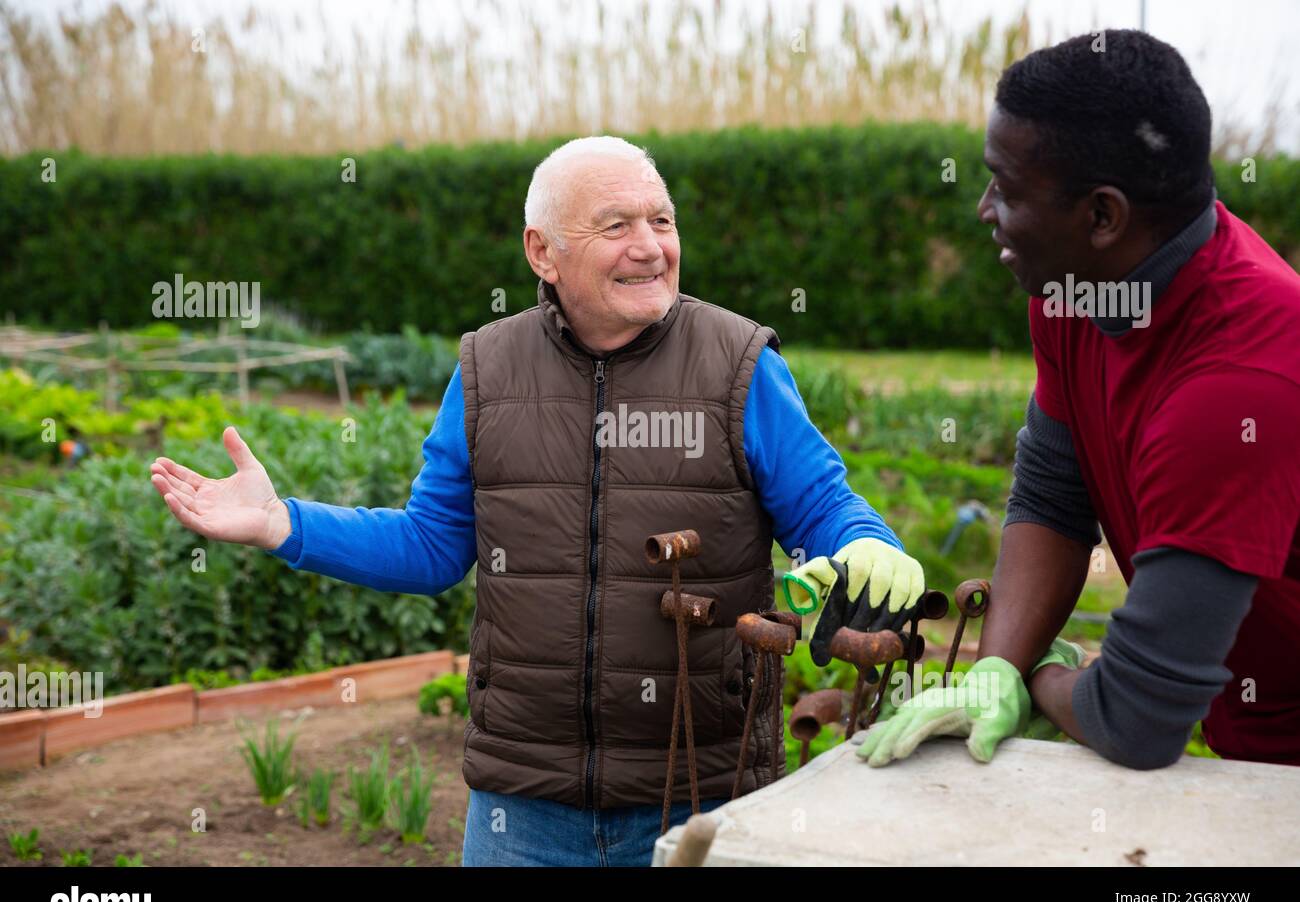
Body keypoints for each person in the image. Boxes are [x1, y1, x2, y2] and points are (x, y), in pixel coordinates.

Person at [149, 135, 925, 865]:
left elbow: (828, 509)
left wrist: (868, 544)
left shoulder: (739, 366)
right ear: (542, 252)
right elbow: (431, 547)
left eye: (661, 220)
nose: (650, 246)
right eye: (615, 225)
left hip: (700, 788)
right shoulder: (488, 370)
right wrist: (285, 523)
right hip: (521, 804)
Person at [858, 30, 1300, 771]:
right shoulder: (1075, 291)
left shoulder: (1242, 384)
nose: (983, 207)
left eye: (1007, 185)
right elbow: (1055, 490)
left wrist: (1036, 680)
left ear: (1102, 217)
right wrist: (995, 669)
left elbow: (1135, 718)